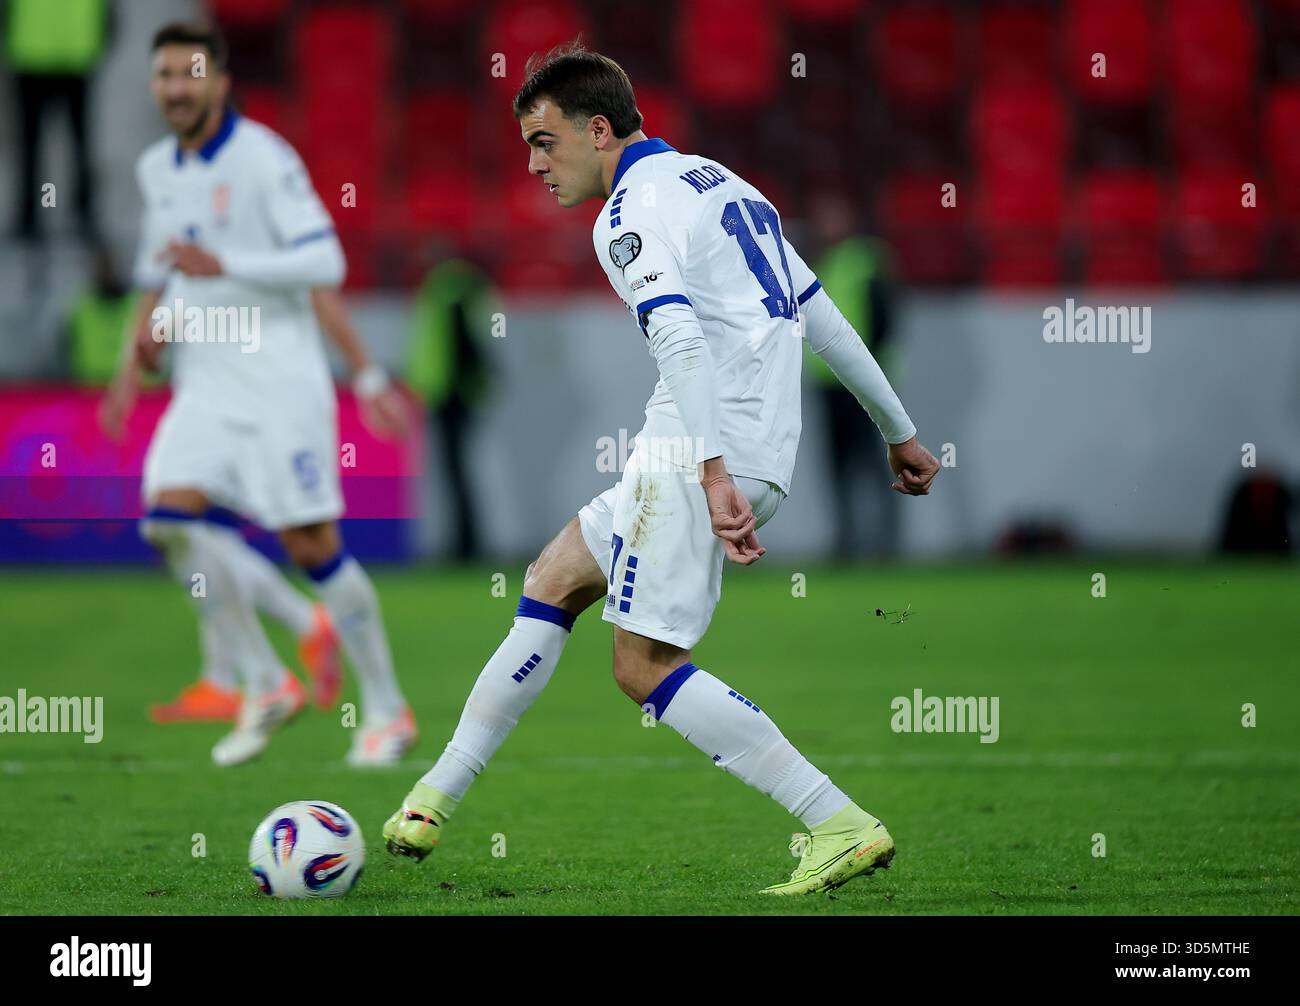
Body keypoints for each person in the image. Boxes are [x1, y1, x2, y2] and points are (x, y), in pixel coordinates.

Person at [383, 42, 939, 895]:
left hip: (699, 454)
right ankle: (433, 798)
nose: (534, 165)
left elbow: (679, 338)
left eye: (544, 141)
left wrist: (713, 474)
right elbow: (820, 316)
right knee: (555, 576)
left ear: (598, 129)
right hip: (727, 452)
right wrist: (898, 430)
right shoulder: (723, 185)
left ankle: (837, 821)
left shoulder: (627, 214)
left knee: (640, 666)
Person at [99, 21, 414, 766]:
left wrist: (225, 264)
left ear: (220, 80)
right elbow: (160, 274)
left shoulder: (265, 160)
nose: (177, 88)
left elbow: (323, 260)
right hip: (203, 384)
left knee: (311, 546)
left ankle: (389, 709)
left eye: (190, 73)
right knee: (166, 520)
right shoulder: (156, 170)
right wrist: (137, 354)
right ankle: (266, 680)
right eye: (165, 75)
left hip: (278, 385)